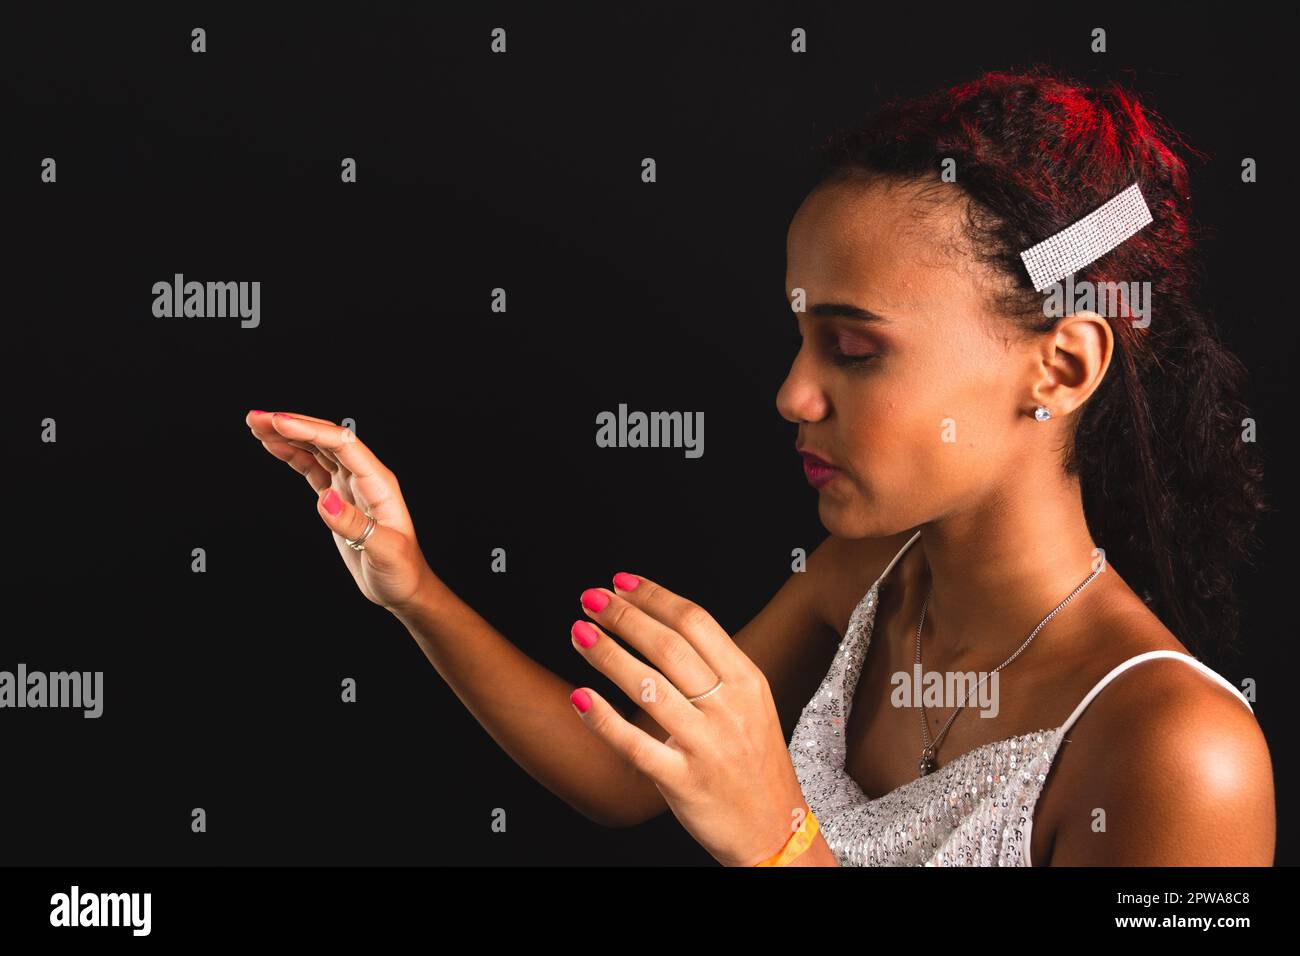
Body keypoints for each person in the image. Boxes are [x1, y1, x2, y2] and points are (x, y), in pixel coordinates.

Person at [244, 67, 1275, 866]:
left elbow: (763, 826)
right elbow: (622, 776)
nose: (791, 394)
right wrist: (411, 585)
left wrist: (780, 838)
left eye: (855, 347)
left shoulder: (1183, 753)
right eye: (798, 337)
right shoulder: (857, 580)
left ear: (1060, 364)